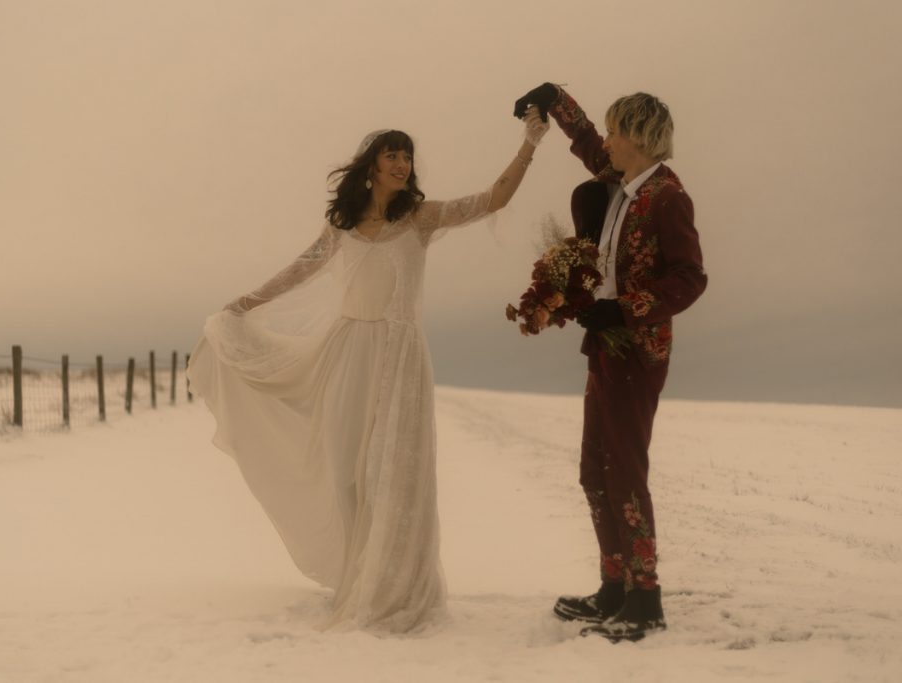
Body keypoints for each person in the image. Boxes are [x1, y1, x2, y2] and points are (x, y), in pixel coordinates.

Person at [187, 111, 549, 633]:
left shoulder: (420, 219)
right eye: (392, 155)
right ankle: (359, 573)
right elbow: (300, 268)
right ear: (372, 167)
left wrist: (529, 143)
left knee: (392, 474)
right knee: (343, 469)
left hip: (399, 355)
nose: (402, 164)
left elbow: (494, 198)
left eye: (407, 157)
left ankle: (393, 586)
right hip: (347, 350)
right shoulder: (341, 227)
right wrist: (244, 302)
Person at [513, 84, 707, 642]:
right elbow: (585, 141)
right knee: (594, 470)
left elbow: (690, 278)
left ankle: (645, 599)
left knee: (623, 468)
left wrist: (623, 310)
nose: (610, 140)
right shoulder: (621, 178)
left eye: (617, 130)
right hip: (605, 345)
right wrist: (554, 99)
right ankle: (614, 586)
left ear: (640, 138)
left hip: (638, 349)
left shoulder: (668, 197)